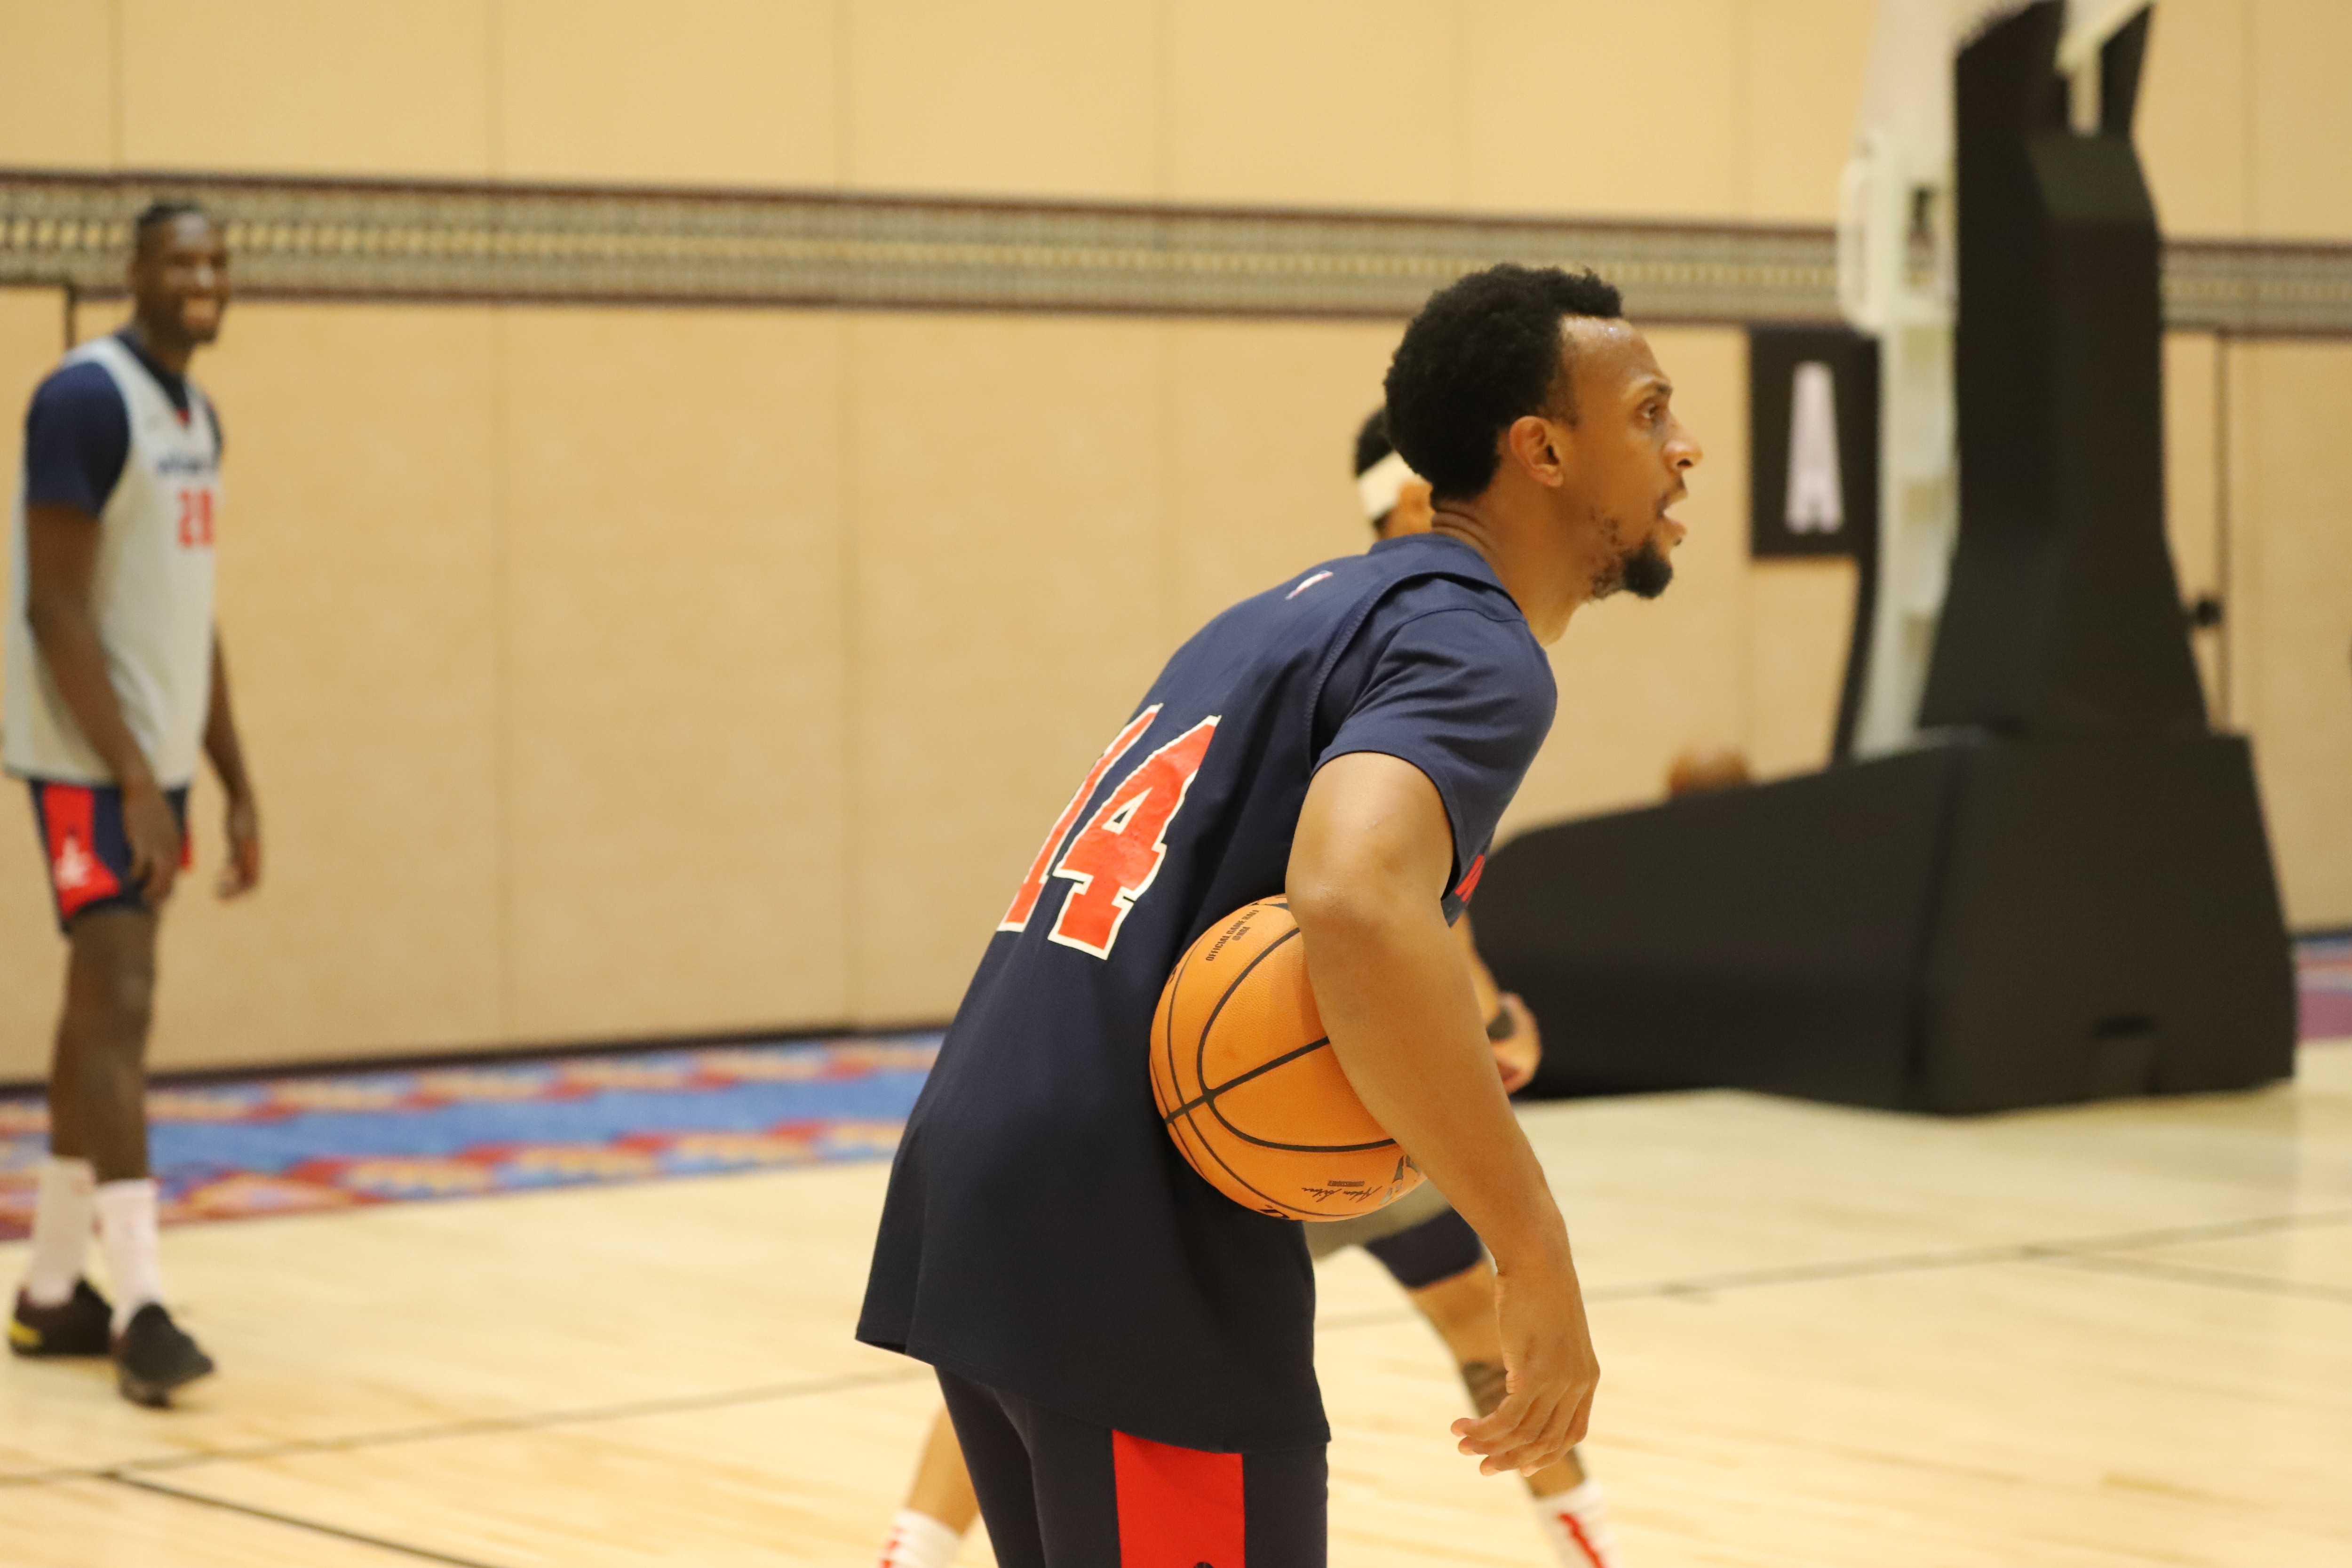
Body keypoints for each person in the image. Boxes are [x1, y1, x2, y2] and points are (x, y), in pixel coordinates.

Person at [858, 263, 1700, 1565]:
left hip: (993, 1169)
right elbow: (1355, 893)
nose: (1683, 447)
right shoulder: (1474, 647)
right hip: (1135, 1225)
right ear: (1541, 449)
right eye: (1648, 413)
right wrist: (1532, 1242)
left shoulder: (1280, 615)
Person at [5, 200, 259, 1408]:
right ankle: (144, 1301)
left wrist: (233, 777)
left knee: (93, 1011)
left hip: (149, 766)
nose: (203, 277)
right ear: (136, 272)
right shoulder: (83, 399)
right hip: (81, 759)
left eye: (217, 260)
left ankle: (54, 1288)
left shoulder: (195, 414)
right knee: (123, 1000)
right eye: (182, 259)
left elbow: (187, 614)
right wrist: (124, 783)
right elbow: (54, 611)